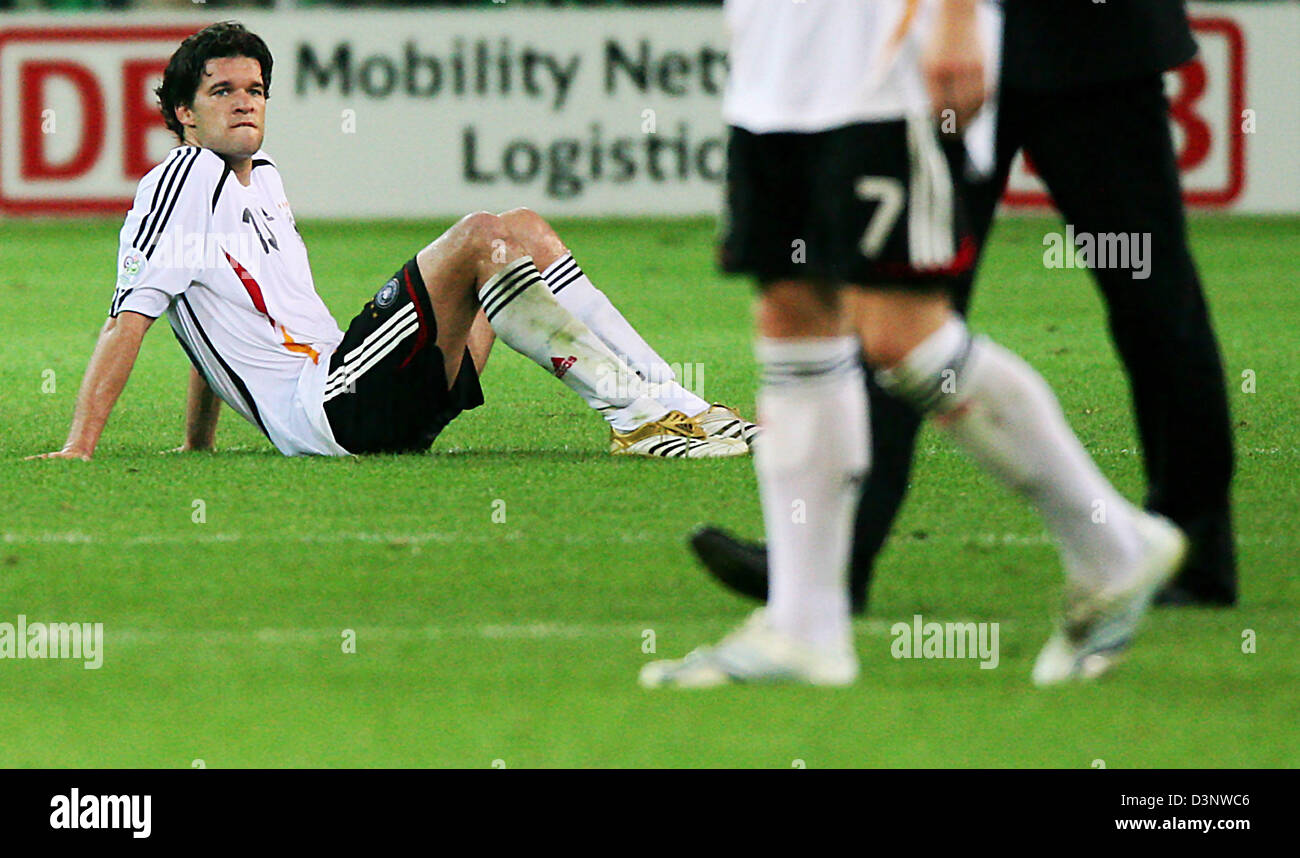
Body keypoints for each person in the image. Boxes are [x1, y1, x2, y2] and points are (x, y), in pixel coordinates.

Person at [641, 0, 1186, 689]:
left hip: (886, 54)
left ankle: (1111, 545)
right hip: (775, 62)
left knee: (902, 334)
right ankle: (803, 630)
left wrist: (957, 14)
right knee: (790, 314)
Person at [29, 22, 756, 464]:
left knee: (524, 229)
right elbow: (133, 315)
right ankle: (634, 417)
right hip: (334, 408)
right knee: (481, 236)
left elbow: (215, 312)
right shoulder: (178, 179)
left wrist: (199, 441)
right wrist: (80, 444)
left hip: (377, 403)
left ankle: (677, 405)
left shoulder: (263, 180)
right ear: (184, 114)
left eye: (255, 88)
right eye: (222, 91)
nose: (245, 100)